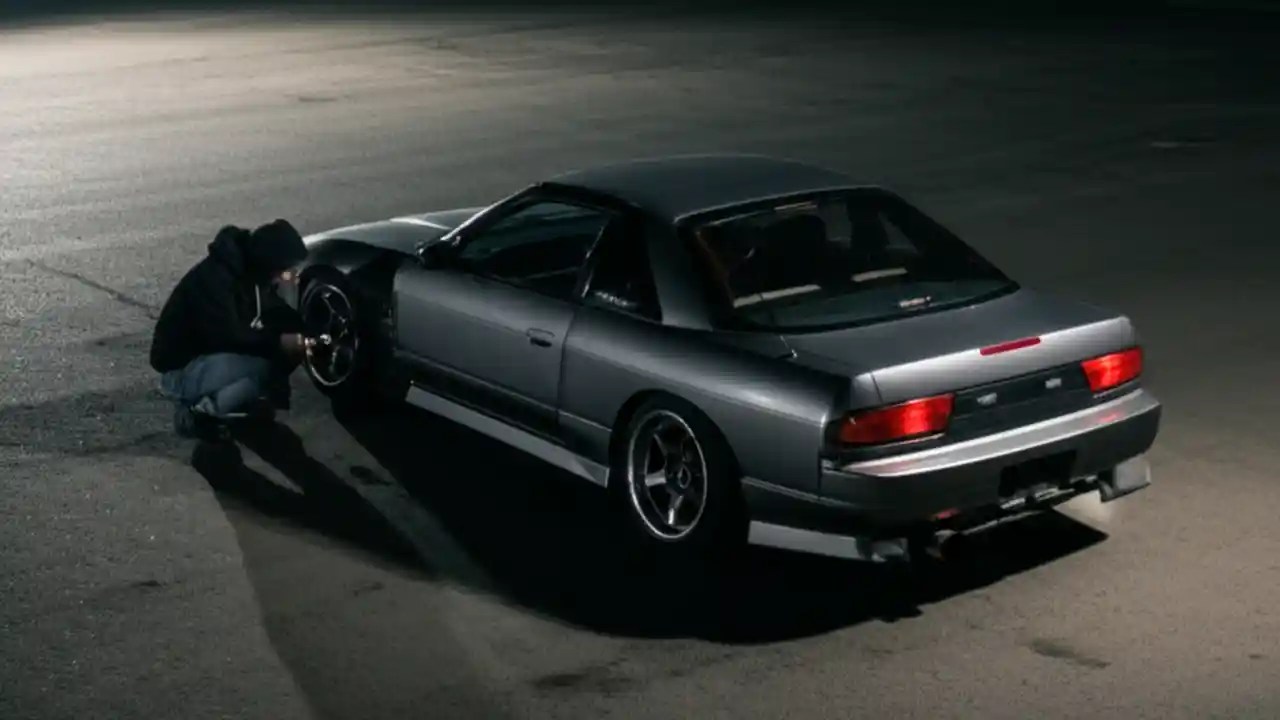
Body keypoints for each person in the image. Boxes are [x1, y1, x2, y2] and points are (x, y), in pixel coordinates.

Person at [150, 219, 311, 441]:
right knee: (265, 364)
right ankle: (199, 413)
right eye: (281, 270)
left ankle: (239, 406)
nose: (282, 277)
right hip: (180, 369)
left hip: (208, 356)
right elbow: (228, 335)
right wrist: (279, 341)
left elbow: (275, 310)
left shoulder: (248, 273)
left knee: (276, 355)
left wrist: (305, 328)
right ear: (267, 261)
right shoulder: (215, 279)